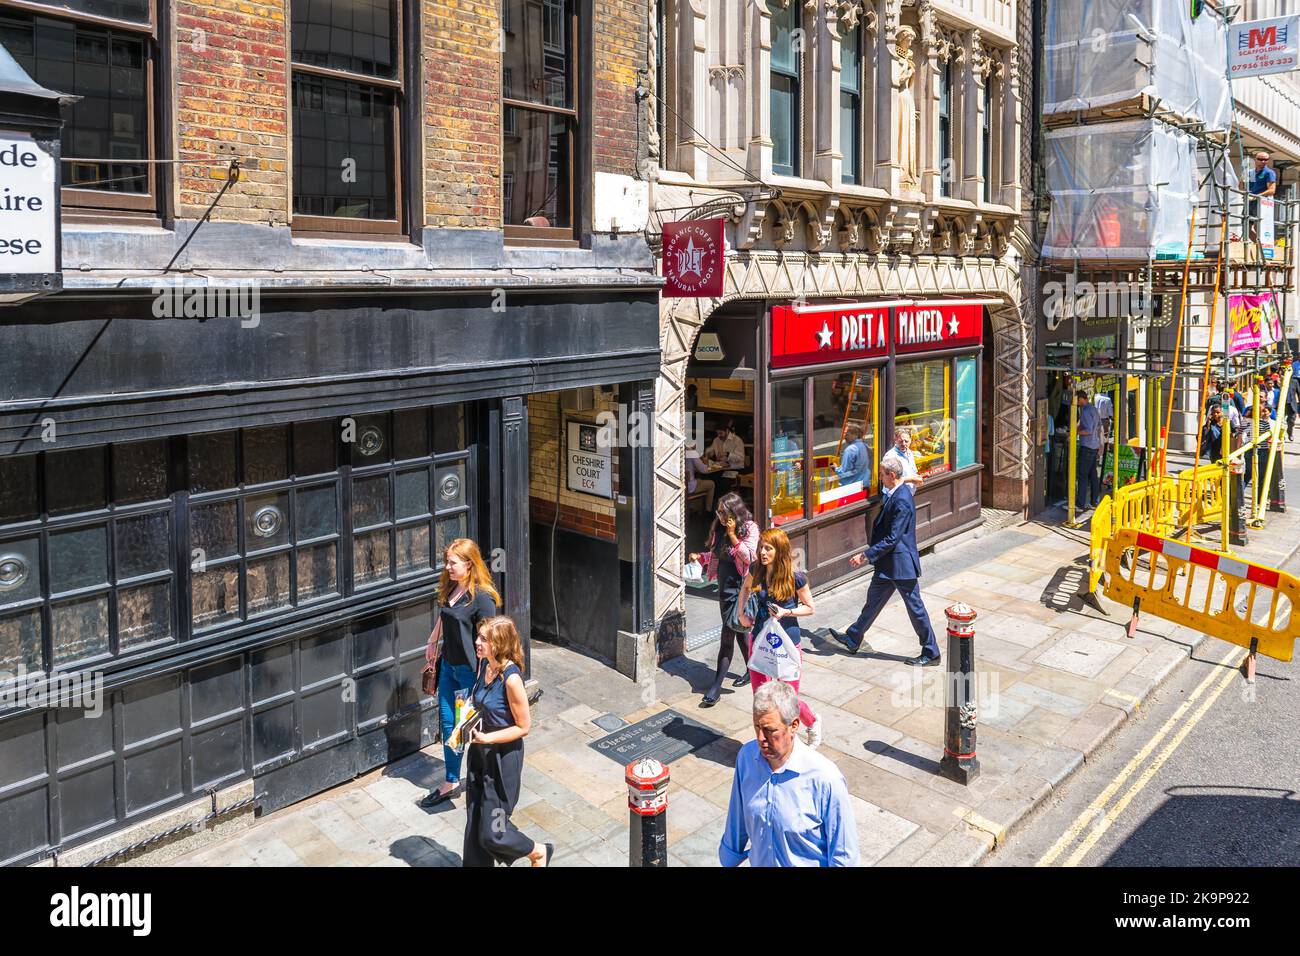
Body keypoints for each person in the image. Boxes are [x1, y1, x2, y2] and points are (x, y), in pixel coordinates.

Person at [718, 680, 859, 868]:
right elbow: (737, 821)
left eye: (769, 730)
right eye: (757, 727)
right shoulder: (747, 758)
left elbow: (845, 857)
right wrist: (729, 860)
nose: (761, 738)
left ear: (793, 726)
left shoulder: (826, 779)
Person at [829, 458, 942, 667]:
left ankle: (931, 652)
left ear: (891, 475)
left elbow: (893, 538)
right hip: (888, 565)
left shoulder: (902, 499)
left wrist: (866, 555)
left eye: (882, 474)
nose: (879, 478)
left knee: (915, 609)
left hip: (900, 565)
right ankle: (853, 637)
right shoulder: (897, 491)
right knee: (873, 602)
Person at [462, 616, 552, 867]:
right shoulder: (484, 666)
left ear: (499, 644)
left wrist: (487, 737)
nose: (477, 642)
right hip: (480, 754)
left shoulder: (511, 679)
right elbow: (481, 704)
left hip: (503, 760)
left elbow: (524, 726)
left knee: (494, 831)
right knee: (475, 819)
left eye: (484, 639)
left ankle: (538, 851)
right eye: (478, 636)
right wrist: (464, 720)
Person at [421, 539, 502, 808]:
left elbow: (492, 638)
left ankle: (485, 778)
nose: (447, 567)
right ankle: (451, 781)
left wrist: (488, 676)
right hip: (448, 669)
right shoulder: (451, 587)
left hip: (469, 673)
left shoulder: (482, 598)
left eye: (452, 563)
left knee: (466, 727)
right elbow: (445, 616)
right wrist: (433, 641)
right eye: (447, 562)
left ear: (469, 564)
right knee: (448, 725)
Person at [737, 528, 822, 748]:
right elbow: (745, 588)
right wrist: (741, 613)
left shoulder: (796, 577)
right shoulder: (756, 569)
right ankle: (769, 741)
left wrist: (787, 612)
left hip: (787, 643)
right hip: (760, 640)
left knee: (788, 699)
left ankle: (811, 723)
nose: (763, 552)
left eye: (768, 548)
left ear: (780, 550)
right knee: (760, 697)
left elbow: (810, 608)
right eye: (761, 547)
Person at [689, 493, 759, 706]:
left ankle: (715, 688)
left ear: (734, 512)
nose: (719, 516)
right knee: (738, 632)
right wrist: (702, 558)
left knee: (728, 634)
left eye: (723, 512)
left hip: (740, 589)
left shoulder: (750, 528)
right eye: (718, 511)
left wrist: (733, 535)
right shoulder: (719, 528)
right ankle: (753, 671)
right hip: (724, 590)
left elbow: (750, 557)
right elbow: (720, 555)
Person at [702, 420, 746, 499]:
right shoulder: (716, 440)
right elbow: (711, 450)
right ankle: (713, 505)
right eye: (717, 433)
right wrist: (708, 453)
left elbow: (741, 458)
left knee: (721, 483)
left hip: (734, 469)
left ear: (727, 431)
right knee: (709, 478)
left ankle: (723, 504)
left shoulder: (737, 440)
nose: (719, 435)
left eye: (721, 433)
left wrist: (729, 454)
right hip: (721, 469)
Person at [1075, 390, 1102, 512]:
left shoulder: (1085, 411)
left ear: (1081, 399)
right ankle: (1094, 501)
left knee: (1082, 475)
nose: (1075, 403)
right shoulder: (1093, 409)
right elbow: (1098, 426)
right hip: (1094, 445)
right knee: (1093, 475)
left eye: (1076, 400)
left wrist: (1075, 432)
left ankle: (1080, 504)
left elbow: (1088, 430)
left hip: (1087, 446)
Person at [881, 425, 923, 490]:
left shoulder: (909, 452)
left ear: (910, 440)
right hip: (895, 496)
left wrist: (918, 478)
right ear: (895, 440)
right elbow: (889, 480)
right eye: (901, 441)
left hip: (908, 493)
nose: (904, 444)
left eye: (906, 441)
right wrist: (911, 480)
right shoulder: (890, 456)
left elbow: (912, 472)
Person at [834, 423, 870, 489]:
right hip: (864, 484)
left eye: (847, 434)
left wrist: (835, 468)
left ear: (855, 435)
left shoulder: (850, 450)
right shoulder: (864, 445)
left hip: (852, 488)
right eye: (844, 433)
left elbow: (843, 472)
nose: (844, 436)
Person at [685, 440, 716, 512]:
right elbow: (704, 470)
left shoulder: (679, 450)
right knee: (711, 484)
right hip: (689, 487)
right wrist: (705, 461)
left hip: (682, 483)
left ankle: (695, 507)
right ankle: (708, 510)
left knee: (699, 480)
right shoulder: (692, 453)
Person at [1286, 364, 1300, 441]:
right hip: (1281, 404)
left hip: (1291, 404)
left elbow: (1299, 392)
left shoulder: (1294, 381)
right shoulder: (1279, 380)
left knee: (1291, 421)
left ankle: (1290, 432)